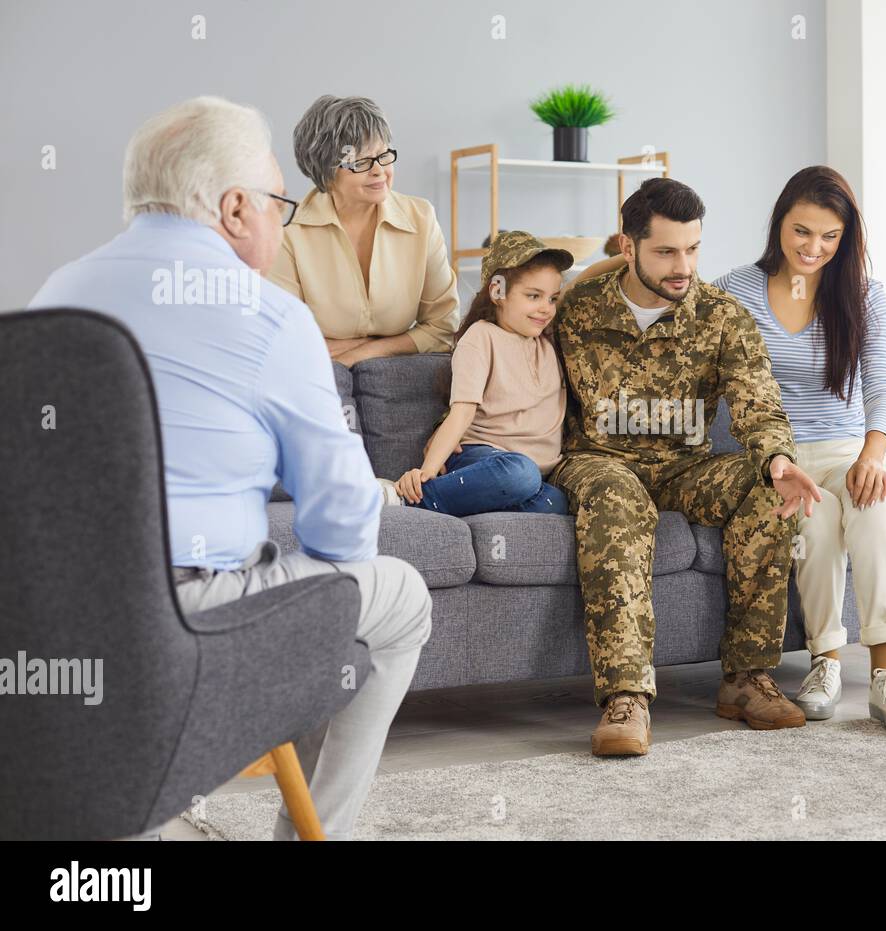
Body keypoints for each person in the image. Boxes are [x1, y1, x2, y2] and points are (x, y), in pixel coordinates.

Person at [27, 96, 433, 839]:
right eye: (279, 202)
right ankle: (312, 832)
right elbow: (346, 517)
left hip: (44, 623)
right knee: (398, 596)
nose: (282, 223)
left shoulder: (54, 294)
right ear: (237, 207)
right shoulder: (267, 316)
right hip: (186, 624)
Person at [550, 177, 824, 757]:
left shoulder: (722, 316)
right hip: (599, 463)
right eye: (666, 251)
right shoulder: (578, 308)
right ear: (627, 247)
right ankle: (627, 699)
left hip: (684, 468)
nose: (684, 266)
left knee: (764, 487)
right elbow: (509, 340)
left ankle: (746, 679)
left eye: (693, 249)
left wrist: (778, 460)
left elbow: (757, 398)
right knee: (617, 496)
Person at [712, 166, 886, 729]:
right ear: (780, 223)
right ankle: (824, 663)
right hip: (779, 458)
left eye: (830, 237)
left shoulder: (866, 295)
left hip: (852, 448)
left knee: (875, 512)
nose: (814, 248)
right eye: (802, 232)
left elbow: (880, 384)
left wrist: (874, 455)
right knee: (817, 529)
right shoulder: (738, 289)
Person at [383, 232, 575, 517]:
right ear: (498, 291)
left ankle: (467, 502)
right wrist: (426, 472)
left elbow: (586, 282)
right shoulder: (480, 338)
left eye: (552, 298)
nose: (546, 308)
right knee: (521, 474)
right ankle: (408, 501)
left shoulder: (548, 342)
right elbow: (461, 414)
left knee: (556, 503)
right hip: (485, 458)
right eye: (533, 296)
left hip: (531, 475)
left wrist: (628, 254)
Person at [267, 95, 459, 364]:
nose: (379, 171)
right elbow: (282, 337)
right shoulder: (289, 230)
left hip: (390, 377)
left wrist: (365, 352)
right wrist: (399, 341)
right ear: (326, 171)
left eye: (383, 156)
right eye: (360, 162)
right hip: (317, 374)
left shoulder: (421, 218)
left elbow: (443, 328)